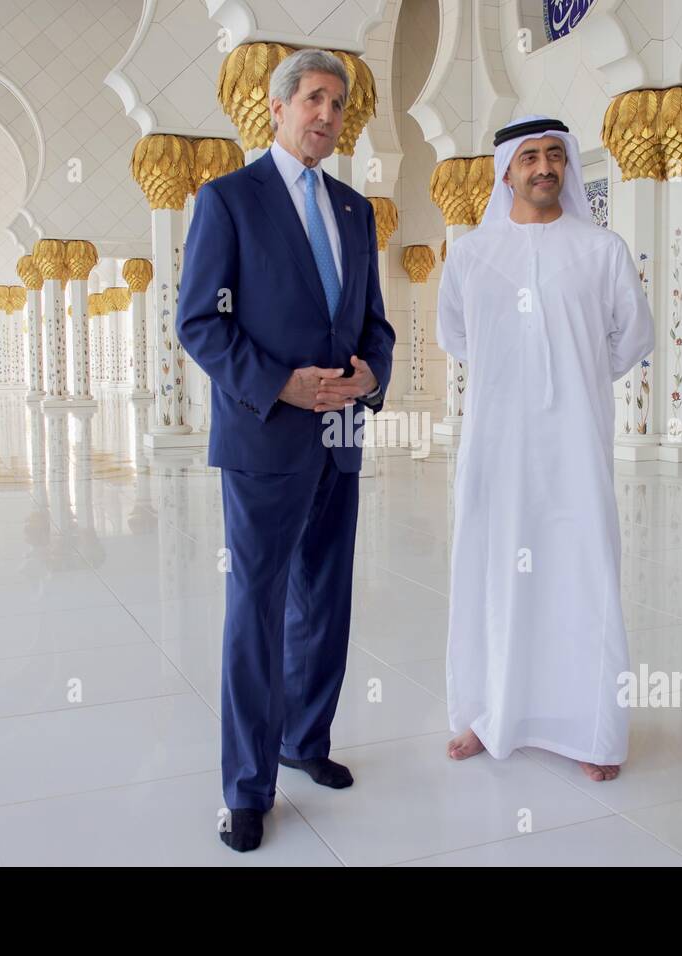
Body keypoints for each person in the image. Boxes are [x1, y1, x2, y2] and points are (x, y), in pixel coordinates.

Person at [176, 49, 396, 852]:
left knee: (327, 598)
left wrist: (375, 372)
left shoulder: (354, 210)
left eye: (337, 104)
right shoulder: (229, 201)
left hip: (341, 434)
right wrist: (280, 385)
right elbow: (201, 321)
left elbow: (374, 319)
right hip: (265, 435)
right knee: (257, 608)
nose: (326, 117)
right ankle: (245, 785)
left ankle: (306, 741)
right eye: (312, 100)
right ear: (276, 108)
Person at [436, 115, 655, 782]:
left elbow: (633, 338)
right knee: (492, 566)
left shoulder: (601, 249)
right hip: (496, 447)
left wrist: (577, 375)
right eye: (529, 156)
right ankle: (485, 711)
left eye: (554, 155)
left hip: (574, 447)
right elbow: (455, 334)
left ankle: (590, 729)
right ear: (506, 170)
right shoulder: (471, 253)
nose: (543, 167)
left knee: (580, 571)